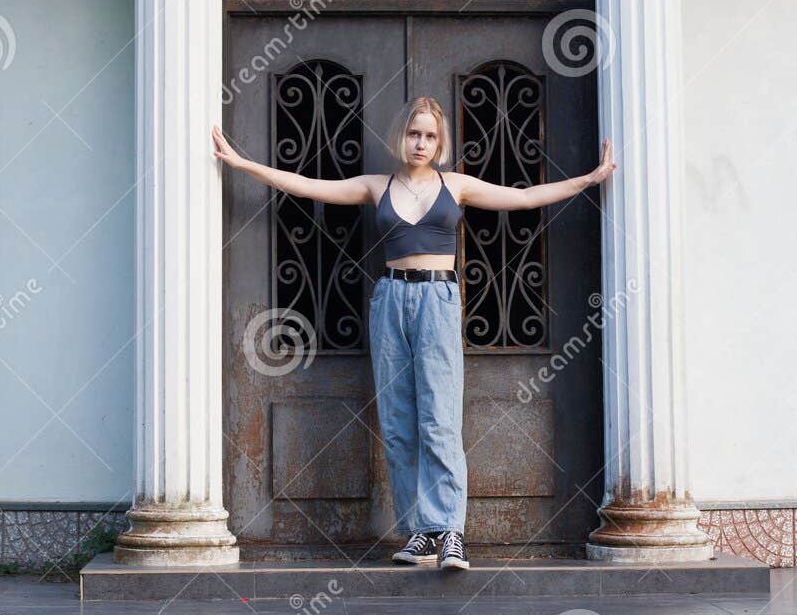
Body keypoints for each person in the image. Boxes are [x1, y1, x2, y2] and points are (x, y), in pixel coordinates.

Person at [211, 95, 617, 570]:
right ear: (401, 137)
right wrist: (242, 163)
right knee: (400, 423)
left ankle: (450, 533)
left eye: (429, 136)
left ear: (439, 142)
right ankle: (419, 533)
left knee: (439, 421)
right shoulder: (376, 185)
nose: (420, 142)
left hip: (437, 300)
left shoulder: (456, 185)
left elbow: (524, 198)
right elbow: (306, 186)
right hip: (390, 299)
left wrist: (589, 179)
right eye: (413, 134)